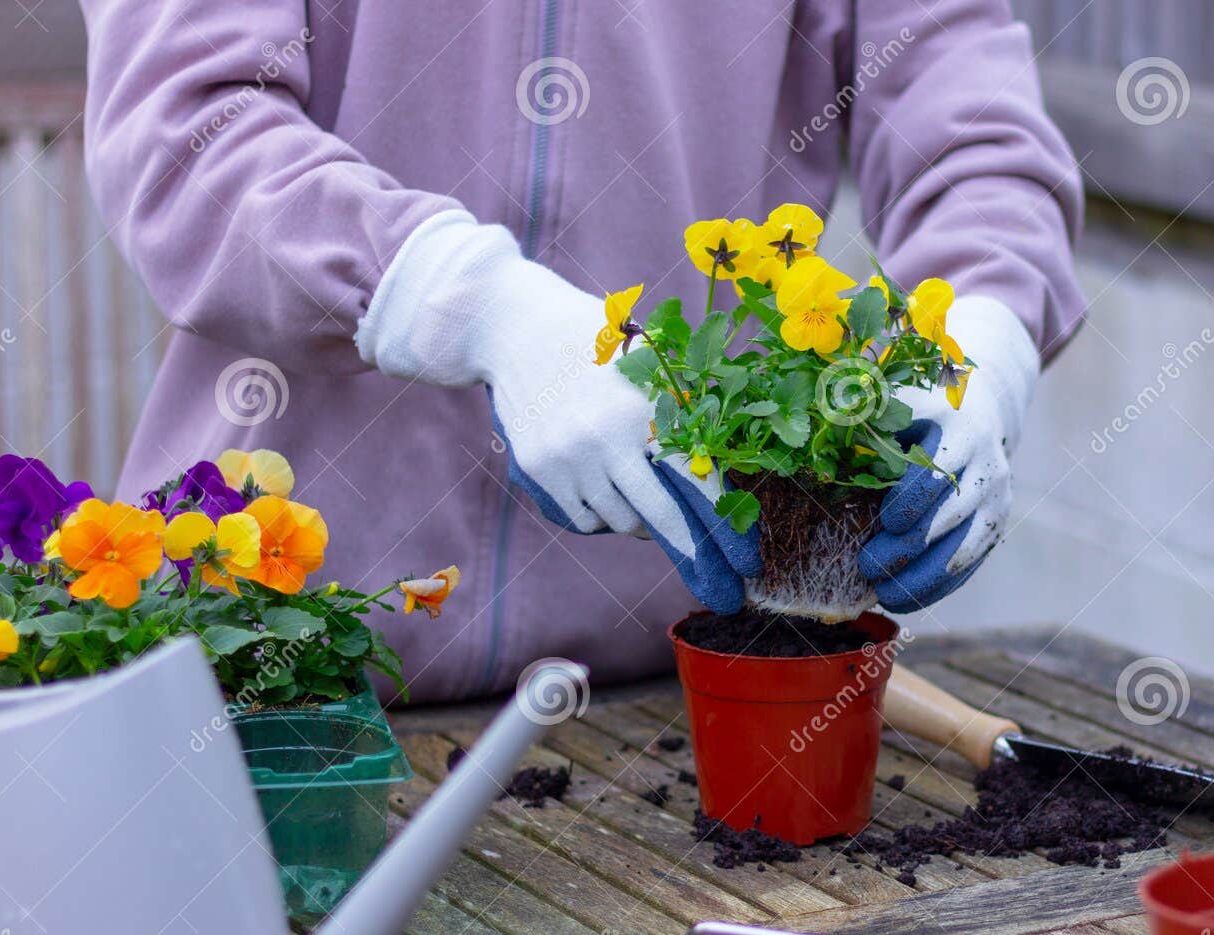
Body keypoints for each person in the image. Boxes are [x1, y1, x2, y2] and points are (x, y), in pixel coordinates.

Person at [79, 0, 1084, 702]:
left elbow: (976, 137)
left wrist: (982, 341)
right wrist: (475, 306)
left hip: (664, 695)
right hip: (272, 678)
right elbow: (183, 132)